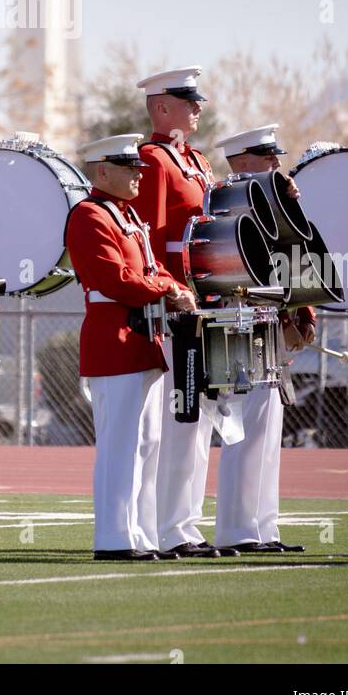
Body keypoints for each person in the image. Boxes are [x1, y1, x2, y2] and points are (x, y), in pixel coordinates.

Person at [66, 134, 194, 561]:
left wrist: (172, 288)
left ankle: (141, 535)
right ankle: (115, 537)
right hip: (114, 338)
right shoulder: (89, 215)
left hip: (142, 338)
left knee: (147, 444)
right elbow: (115, 278)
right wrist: (168, 291)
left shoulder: (125, 216)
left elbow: (152, 269)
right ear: (101, 171)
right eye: (128, 169)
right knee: (121, 445)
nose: (138, 176)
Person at [132, 68, 222, 557]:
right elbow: (149, 237)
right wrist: (170, 293)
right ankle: (164, 529)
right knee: (176, 419)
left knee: (197, 420)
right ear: (161, 106)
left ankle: (185, 525)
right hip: (175, 304)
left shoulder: (196, 162)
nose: (198, 107)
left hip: (202, 299)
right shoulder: (153, 160)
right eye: (189, 100)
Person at [211, 124, 313, 554]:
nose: (276, 163)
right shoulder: (223, 200)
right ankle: (237, 528)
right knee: (245, 429)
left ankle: (263, 527)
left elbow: (291, 260)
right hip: (238, 320)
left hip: (268, 321)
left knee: (269, 433)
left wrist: (302, 313)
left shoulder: (275, 205)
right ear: (241, 162)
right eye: (266, 157)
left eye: (276, 156)